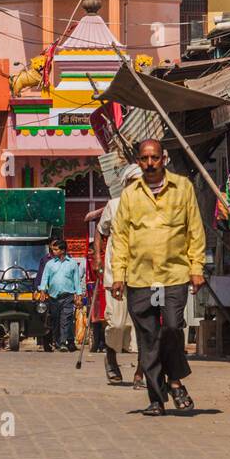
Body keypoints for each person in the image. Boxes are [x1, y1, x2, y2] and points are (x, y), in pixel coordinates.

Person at [111, 138, 206, 416]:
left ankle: (174, 379)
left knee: (173, 327)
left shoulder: (183, 188)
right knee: (148, 338)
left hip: (173, 274)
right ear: (138, 162)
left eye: (154, 158)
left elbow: (195, 230)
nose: (150, 164)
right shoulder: (130, 195)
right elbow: (121, 238)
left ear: (163, 158)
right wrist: (118, 275)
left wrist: (196, 268)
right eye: (144, 159)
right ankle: (156, 398)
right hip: (140, 278)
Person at [94, 164, 144, 388]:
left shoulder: (152, 206)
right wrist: (97, 257)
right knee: (116, 324)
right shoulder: (113, 206)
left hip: (144, 275)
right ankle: (111, 357)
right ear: (126, 184)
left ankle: (141, 373)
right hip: (116, 275)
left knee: (144, 326)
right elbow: (100, 231)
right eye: (134, 182)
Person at [37, 236, 83, 351]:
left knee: (65, 319)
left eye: (56, 249)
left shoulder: (72, 264)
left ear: (63, 250)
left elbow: (77, 280)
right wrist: (42, 291)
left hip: (68, 296)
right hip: (53, 297)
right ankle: (57, 342)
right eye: (53, 249)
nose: (53, 251)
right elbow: (44, 278)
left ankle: (63, 343)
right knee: (55, 320)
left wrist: (79, 295)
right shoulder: (49, 264)